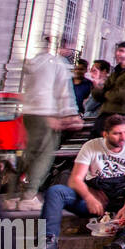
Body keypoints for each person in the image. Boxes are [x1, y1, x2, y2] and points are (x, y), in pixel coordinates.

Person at [41, 114, 125, 249]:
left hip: (122, 196)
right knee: (55, 191)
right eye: (117, 133)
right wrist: (89, 197)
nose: (122, 138)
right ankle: (49, 242)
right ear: (105, 134)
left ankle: (122, 242)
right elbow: (75, 179)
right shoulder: (91, 146)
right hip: (96, 199)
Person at [11, 36, 83, 211]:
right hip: (46, 114)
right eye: (70, 48)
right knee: (44, 155)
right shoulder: (57, 63)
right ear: (62, 47)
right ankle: (29, 195)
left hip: (29, 113)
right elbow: (64, 92)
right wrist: (70, 115)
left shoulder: (34, 63)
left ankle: (12, 194)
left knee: (28, 153)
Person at [90, 42, 125, 136]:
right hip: (106, 114)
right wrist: (97, 88)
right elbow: (98, 95)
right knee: (95, 144)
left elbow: (124, 96)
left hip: (123, 115)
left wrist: (105, 93)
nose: (117, 54)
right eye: (117, 50)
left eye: (121, 51)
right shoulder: (116, 72)